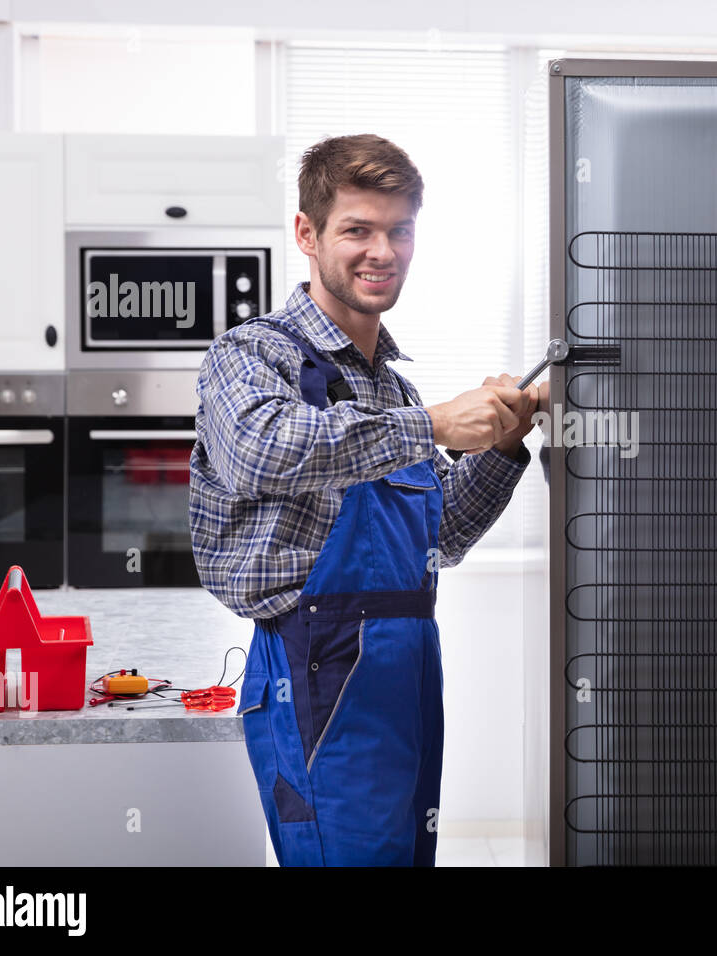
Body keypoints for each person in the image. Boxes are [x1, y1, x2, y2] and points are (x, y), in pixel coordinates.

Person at [188, 133, 547, 866]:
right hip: (313, 673)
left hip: (406, 673)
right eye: (357, 229)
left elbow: (439, 533)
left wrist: (508, 440)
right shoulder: (251, 356)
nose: (382, 250)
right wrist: (436, 425)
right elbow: (263, 449)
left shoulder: (395, 386)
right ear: (307, 234)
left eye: (399, 230)